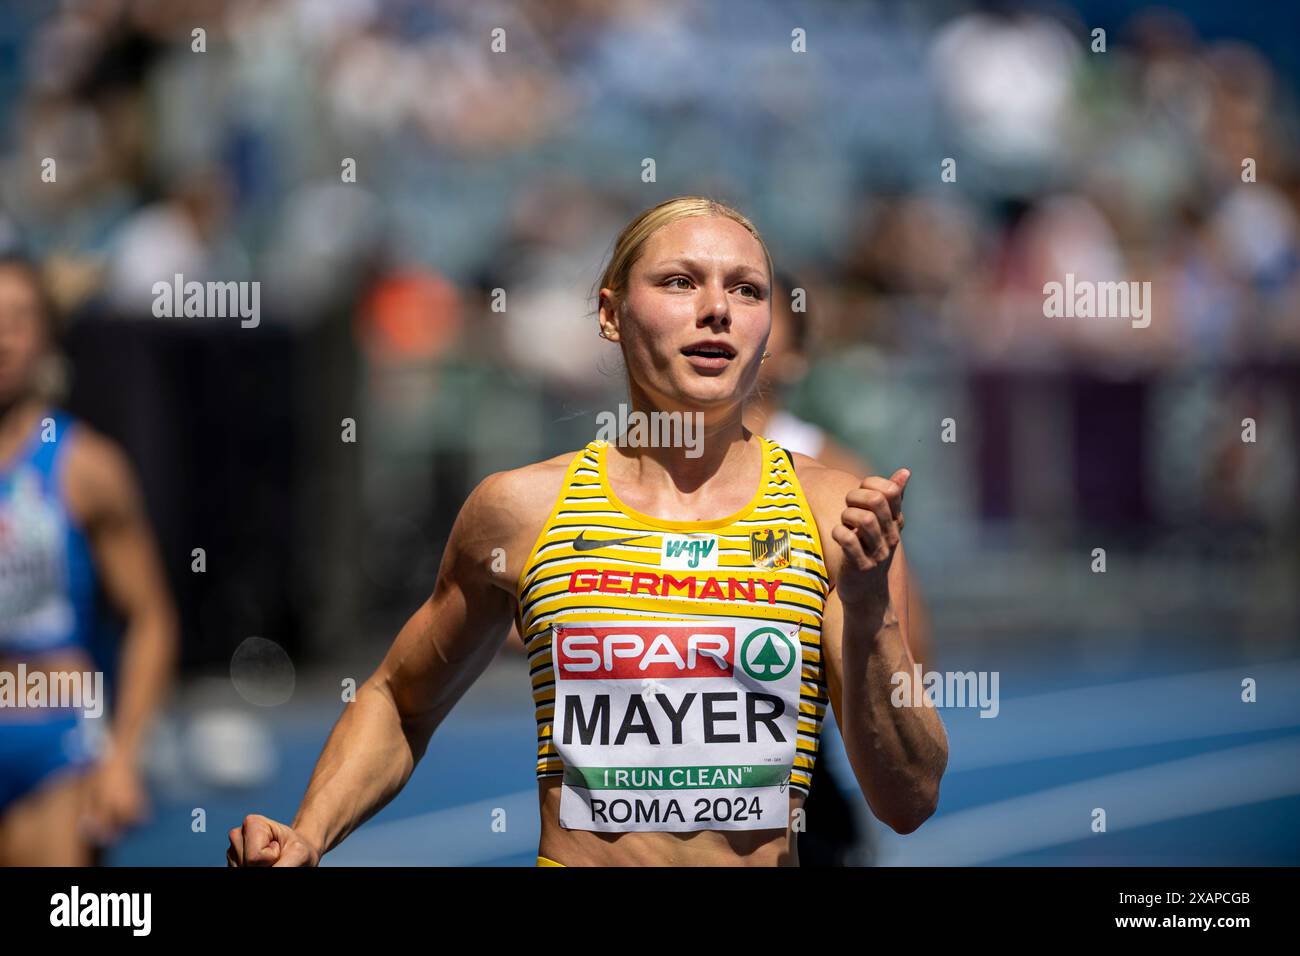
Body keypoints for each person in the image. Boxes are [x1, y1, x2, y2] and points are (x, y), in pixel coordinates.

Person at [228, 196, 949, 867]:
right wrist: (309, 832)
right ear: (610, 312)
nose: (716, 311)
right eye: (678, 282)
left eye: (746, 290)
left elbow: (910, 801)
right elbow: (397, 699)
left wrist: (870, 612)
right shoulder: (520, 510)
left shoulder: (834, 512)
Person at [746, 270, 935, 866]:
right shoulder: (636, 471)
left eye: (766, 323)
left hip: (793, 786)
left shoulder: (830, 475)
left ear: (797, 358)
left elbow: (907, 636)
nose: (727, 323)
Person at [0, 254, 178, 865]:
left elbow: (151, 618)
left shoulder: (86, 468)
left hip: (54, 743)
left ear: (46, 338)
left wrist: (124, 756)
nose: (1, 337)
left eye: (18, 320)